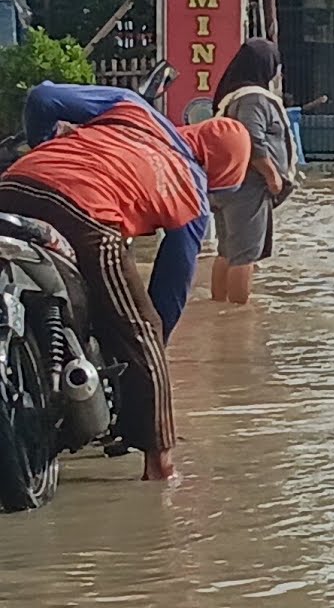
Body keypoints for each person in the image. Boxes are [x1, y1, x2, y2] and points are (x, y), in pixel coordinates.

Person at [10, 82, 251, 480]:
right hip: (84, 212)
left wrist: (42, 146)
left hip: (15, 185)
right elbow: (167, 297)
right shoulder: (192, 191)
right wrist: (148, 361)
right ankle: (160, 464)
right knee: (142, 328)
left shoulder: (134, 108)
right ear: (219, 172)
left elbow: (41, 97)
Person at [210, 39, 296, 305]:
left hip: (228, 183)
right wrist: (271, 176)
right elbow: (253, 139)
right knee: (244, 255)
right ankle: (237, 320)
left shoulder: (231, 97)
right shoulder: (254, 98)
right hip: (248, 187)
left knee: (227, 251)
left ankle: (219, 312)